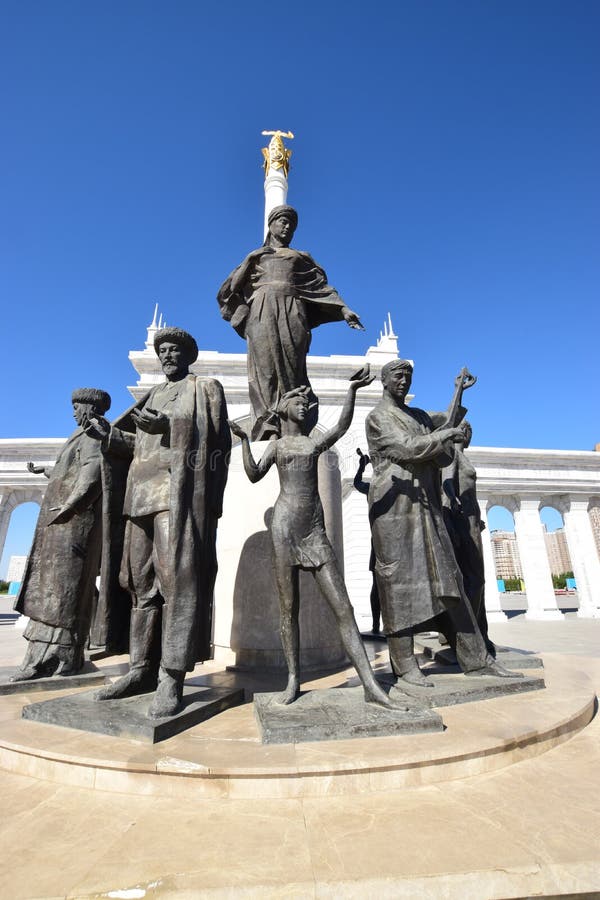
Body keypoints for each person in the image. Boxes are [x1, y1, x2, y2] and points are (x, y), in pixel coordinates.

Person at [229, 368, 404, 709]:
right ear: (285, 408)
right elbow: (253, 474)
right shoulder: (278, 445)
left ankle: (370, 684)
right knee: (288, 608)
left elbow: (340, 427)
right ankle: (294, 679)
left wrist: (351, 390)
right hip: (284, 528)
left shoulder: (312, 442)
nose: (306, 405)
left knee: (344, 607)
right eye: (300, 401)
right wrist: (243, 441)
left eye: (308, 402)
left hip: (314, 531)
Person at [87, 327, 230, 718]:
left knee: (177, 581)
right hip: (140, 496)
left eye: (175, 350)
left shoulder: (204, 388)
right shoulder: (152, 395)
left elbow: (217, 439)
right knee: (139, 585)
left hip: (176, 496)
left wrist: (171, 426)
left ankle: (171, 675)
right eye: (163, 350)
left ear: (188, 355)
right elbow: (140, 445)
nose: (167, 355)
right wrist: (112, 437)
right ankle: (140, 669)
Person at [365, 359, 514, 686]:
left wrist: (457, 390)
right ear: (384, 380)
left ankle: (476, 659)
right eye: (398, 375)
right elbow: (407, 448)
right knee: (398, 583)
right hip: (394, 508)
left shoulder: (418, 417)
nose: (404, 380)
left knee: (450, 579)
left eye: (409, 376)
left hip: (426, 506)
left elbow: (444, 424)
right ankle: (405, 666)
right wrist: (447, 432)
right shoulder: (377, 418)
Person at [217, 204, 363, 439]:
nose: (287, 227)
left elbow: (320, 288)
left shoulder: (300, 257)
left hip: (293, 312)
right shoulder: (257, 256)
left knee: (293, 369)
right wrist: (249, 259)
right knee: (264, 370)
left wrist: (344, 309)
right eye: (282, 221)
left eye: (291, 225)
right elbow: (231, 289)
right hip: (261, 312)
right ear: (271, 224)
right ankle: (268, 427)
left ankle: (292, 424)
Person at [12, 388, 112, 680]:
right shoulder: (77, 435)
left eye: (76, 407)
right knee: (50, 591)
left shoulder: (94, 435)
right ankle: (43, 658)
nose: (73, 412)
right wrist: (47, 471)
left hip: (74, 525)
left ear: (90, 409)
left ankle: (61, 658)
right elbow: (69, 471)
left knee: (63, 596)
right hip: (60, 525)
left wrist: (70, 507)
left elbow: (92, 474)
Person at [442, 421, 495, 656]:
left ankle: (477, 635)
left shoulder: (462, 457)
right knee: (474, 582)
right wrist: (454, 505)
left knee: (474, 581)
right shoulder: (452, 455)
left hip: (472, 524)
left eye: (469, 430)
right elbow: (446, 485)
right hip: (462, 524)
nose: (466, 432)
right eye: (462, 429)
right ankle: (468, 636)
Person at [353, 449, 381, 634]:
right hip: (379, 542)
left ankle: (380, 625)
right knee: (377, 587)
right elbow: (357, 483)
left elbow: (357, 483)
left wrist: (362, 467)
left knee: (380, 587)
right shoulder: (374, 487)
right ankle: (376, 625)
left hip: (386, 541)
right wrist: (361, 467)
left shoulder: (379, 486)